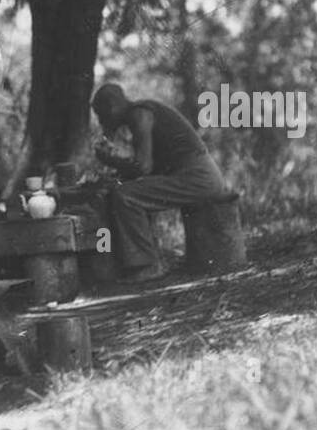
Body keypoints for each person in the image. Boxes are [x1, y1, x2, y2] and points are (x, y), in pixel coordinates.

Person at [90, 83, 230, 283]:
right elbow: (149, 168)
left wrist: (110, 160)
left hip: (199, 177)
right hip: (198, 175)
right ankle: (142, 261)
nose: (102, 122)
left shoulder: (139, 115)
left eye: (101, 115)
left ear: (112, 106)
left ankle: (148, 266)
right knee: (127, 191)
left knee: (126, 196)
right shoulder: (140, 114)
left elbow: (143, 167)